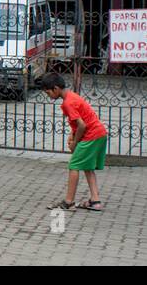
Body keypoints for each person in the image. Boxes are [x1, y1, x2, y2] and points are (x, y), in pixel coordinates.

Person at [40, 73, 107, 211]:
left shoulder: (68, 103)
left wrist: (75, 143)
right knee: (88, 167)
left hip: (92, 135)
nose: (48, 96)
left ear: (56, 88)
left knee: (74, 165)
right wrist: (72, 135)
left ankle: (69, 202)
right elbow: (79, 122)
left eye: (48, 92)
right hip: (99, 134)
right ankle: (95, 201)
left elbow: (82, 125)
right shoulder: (72, 96)